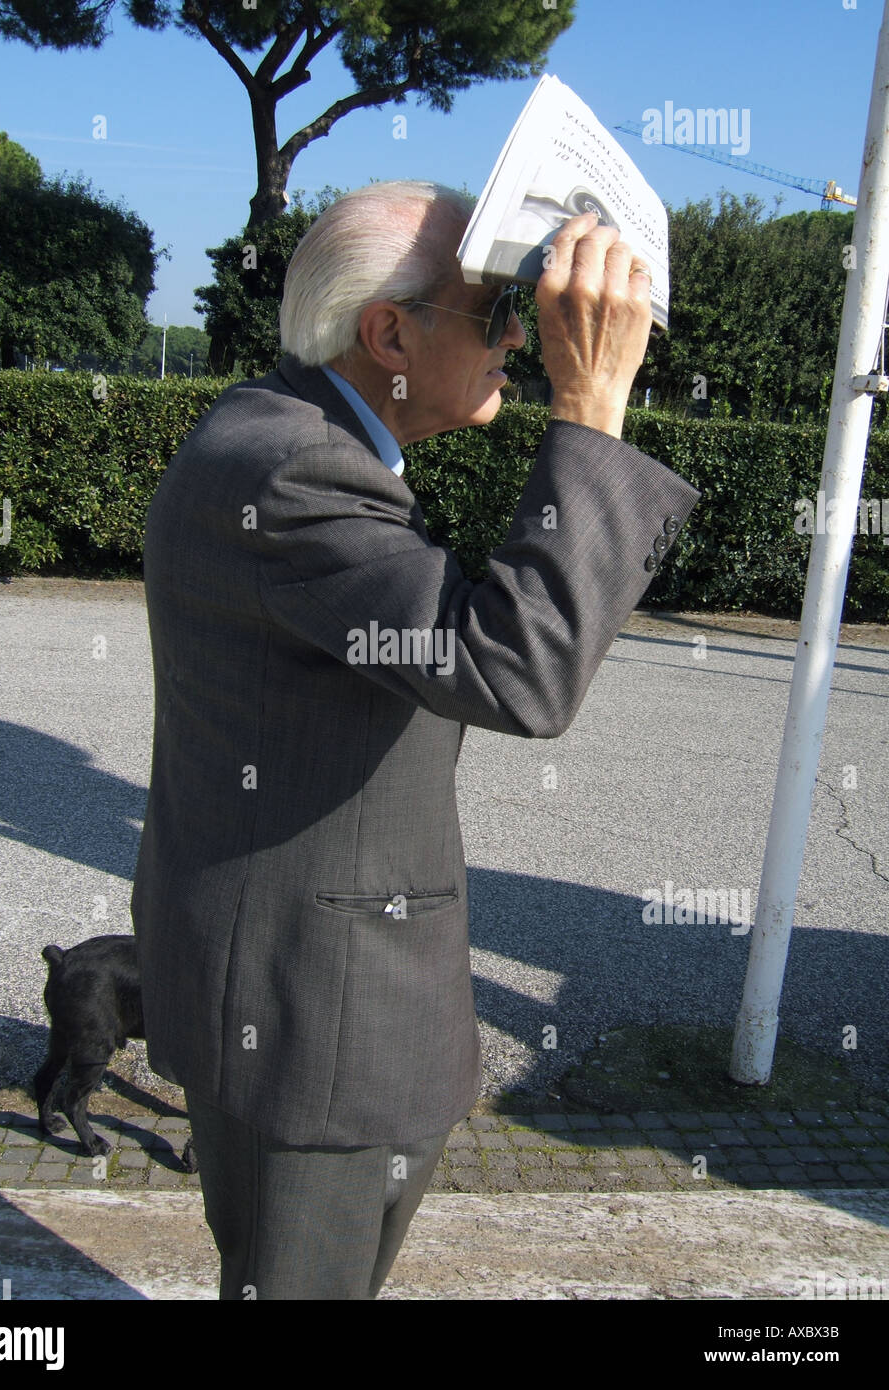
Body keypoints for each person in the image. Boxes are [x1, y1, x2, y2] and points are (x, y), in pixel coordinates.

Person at [131, 180, 699, 1300]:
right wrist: (589, 409)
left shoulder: (275, 429)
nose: (518, 341)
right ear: (386, 332)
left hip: (309, 986)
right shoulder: (294, 471)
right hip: (315, 1019)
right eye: (495, 310)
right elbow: (516, 666)